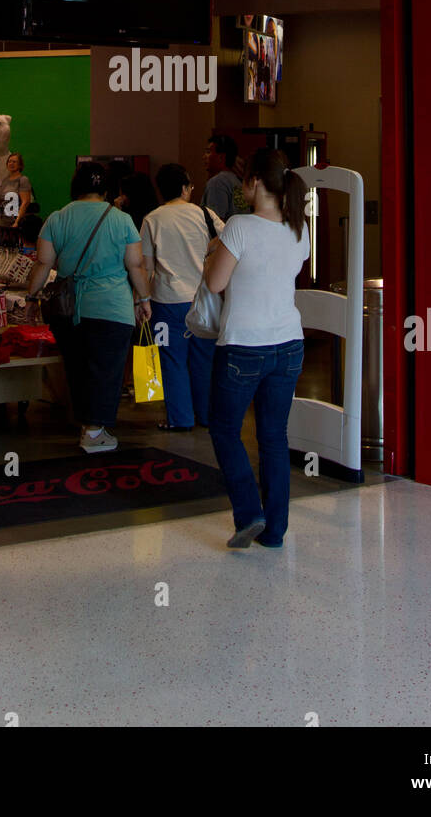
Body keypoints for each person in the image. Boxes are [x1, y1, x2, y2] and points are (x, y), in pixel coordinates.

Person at [204, 149, 310, 550]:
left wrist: (211, 256)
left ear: (253, 184)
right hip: (289, 345)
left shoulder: (239, 226)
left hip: (244, 347)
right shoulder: (299, 228)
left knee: (226, 430)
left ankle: (250, 513)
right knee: (273, 438)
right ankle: (275, 532)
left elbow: (215, 284)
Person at [25, 161, 151, 453]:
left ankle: (87, 424)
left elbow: (43, 263)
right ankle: (94, 433)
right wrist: (143, 299)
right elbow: (136, 265)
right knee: (106, 369)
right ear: (106, 189)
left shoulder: (57, 218)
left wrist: (32, 298)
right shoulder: (121, 220)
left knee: (78, 367)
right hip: (112, 306)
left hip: (69, 310)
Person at [140, 163, 223, 431]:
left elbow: (147, 267)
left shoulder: (152, 219)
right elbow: (229, 240)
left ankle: (180, 419)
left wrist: (141, 300)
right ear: (186, 188)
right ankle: (207, 414)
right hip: (204, 300)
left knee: (171, 360)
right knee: (203, 361)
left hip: (166, 302)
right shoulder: (205, 214)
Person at [201, 134, 241, 221]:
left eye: (208, 152)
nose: (204, 157)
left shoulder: (217, 183)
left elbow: (215, 221)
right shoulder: (236, 180)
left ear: (221, 157)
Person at [0, 152, 34, 242]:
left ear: (20, 165)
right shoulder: (4, 181)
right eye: (9, 161)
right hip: (3, 222)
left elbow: (26, 202)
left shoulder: (23, 180)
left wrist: (17, 222)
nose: (11, 164)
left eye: (14, 162)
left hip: (15, 224)